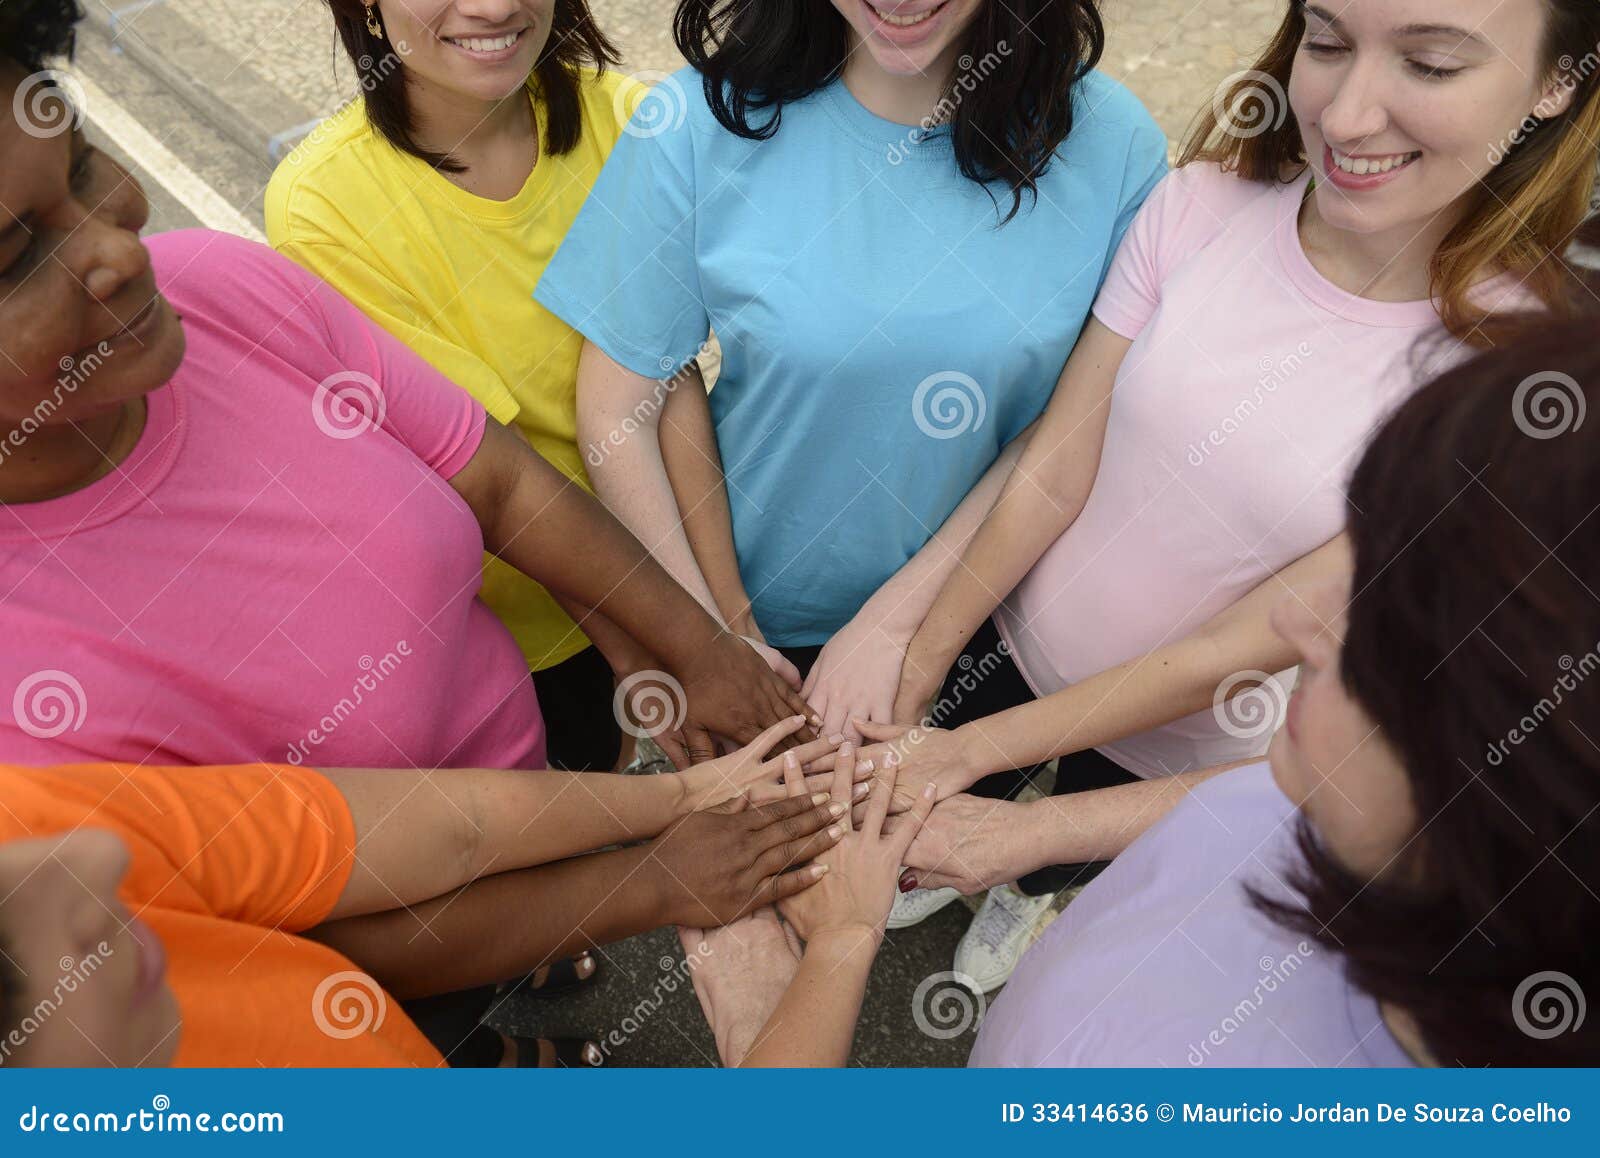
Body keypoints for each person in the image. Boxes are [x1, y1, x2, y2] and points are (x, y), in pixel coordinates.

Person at [848, 0, 1600, 991]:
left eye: (1427, 64)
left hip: (1188, 731)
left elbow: (1237, 647)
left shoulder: (1515, 381)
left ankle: (1023, 886)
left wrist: (995, 801)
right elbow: (1056, 459)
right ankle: (972, 841)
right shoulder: (1201, 201)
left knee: (1053, 838)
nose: (1342, 116)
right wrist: (928, 665)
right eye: (1325, 44)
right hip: (1014, 626)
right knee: (943, 795)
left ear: (1560, 82)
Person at [533, 1, 1167, 761]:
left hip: (997, 623)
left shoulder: (1115, 144)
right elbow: (621, 400)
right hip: (756, 629)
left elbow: (1079, 418)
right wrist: (704, 635)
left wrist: (899, 625)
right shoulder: (692, 122)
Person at [967, 316, 1600, 1066]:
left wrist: (824, 965)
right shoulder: (1346, 792)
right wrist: (1031, 833)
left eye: (1388, 622)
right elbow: (1249, 804)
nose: (1296, 619)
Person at [266, 2, 709, 772]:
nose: (494, 7)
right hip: (527, 633)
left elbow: (673, 387)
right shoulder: (324, 208)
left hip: (681, 567)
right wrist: (642, 651)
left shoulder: (635, 124)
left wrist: (715, 625)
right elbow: (491, 474)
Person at [0, 720, 862, 1067]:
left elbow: (458, 829)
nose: (97, 860)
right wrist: (845, 939)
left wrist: (677, 802)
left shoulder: (28, 826)